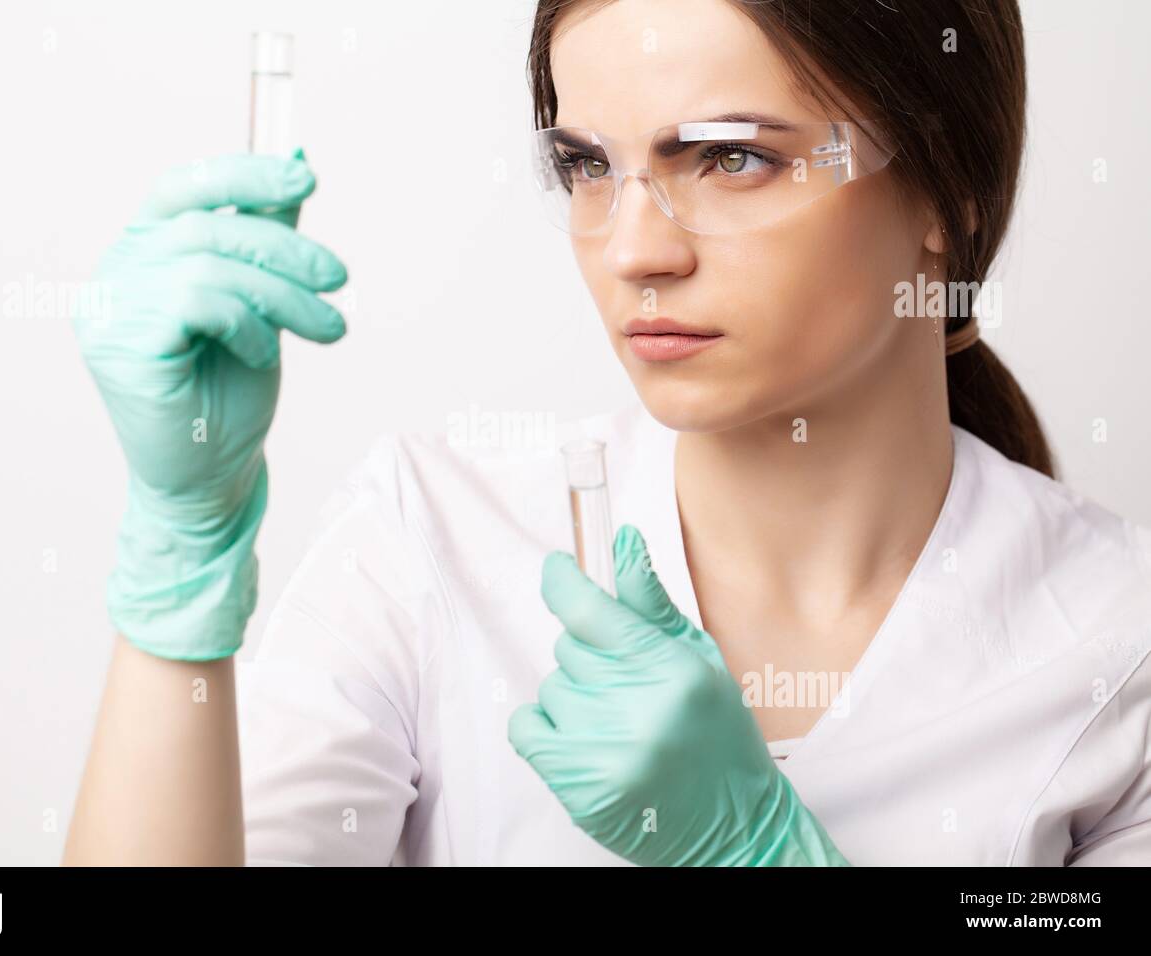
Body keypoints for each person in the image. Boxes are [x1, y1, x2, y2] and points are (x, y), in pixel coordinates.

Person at [64, 0, 1151, 866]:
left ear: (946, 190)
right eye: (588, 166)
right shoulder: (430, 542)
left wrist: (760, 854)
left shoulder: (1118, 651)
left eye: (728, 158)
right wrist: (181, 558)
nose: (635, 249)